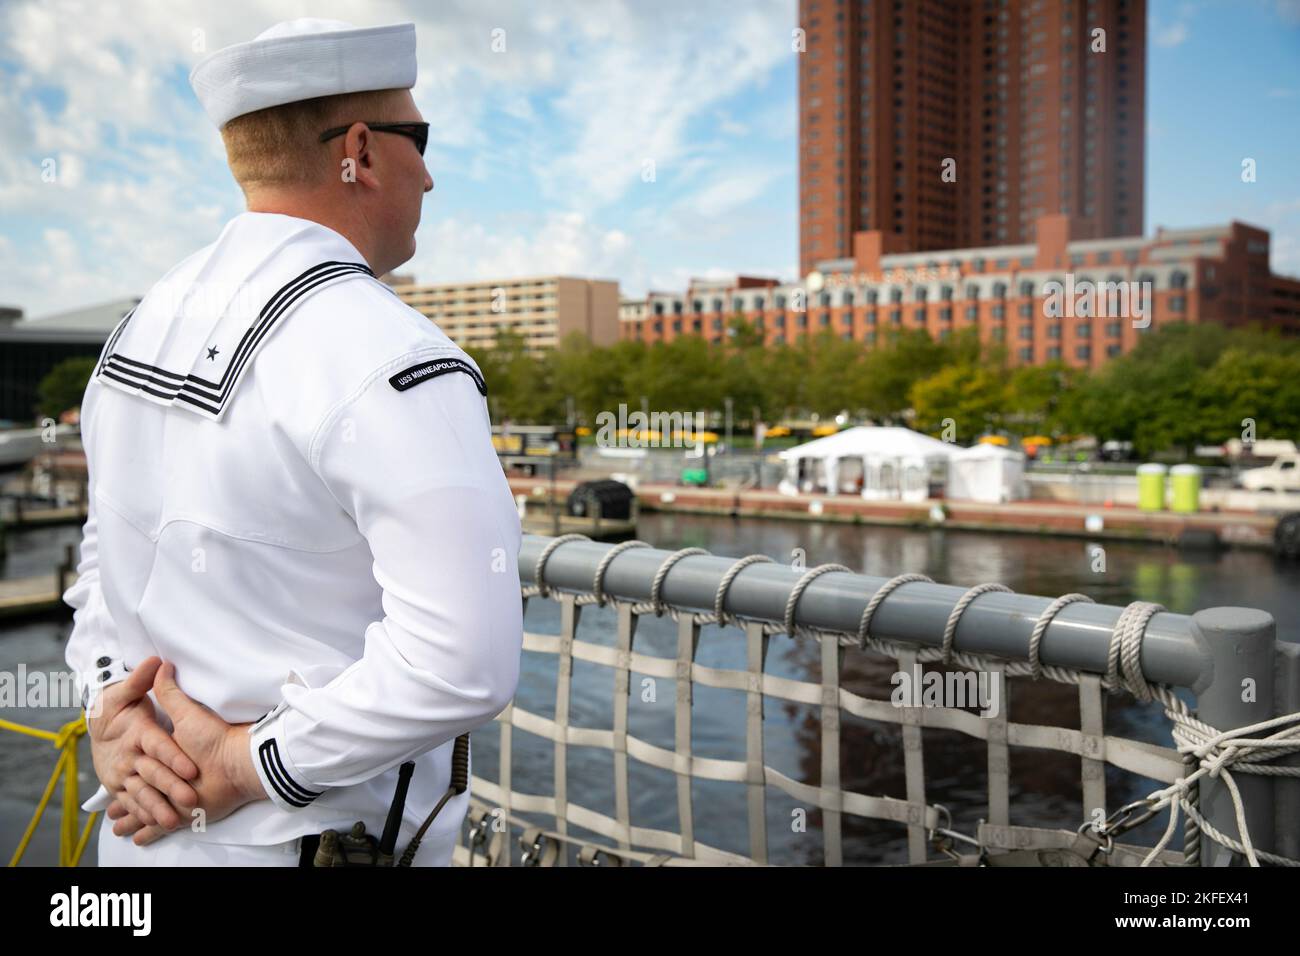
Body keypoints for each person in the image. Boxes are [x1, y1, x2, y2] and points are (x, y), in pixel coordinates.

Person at [63, 18, 523, 866]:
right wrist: (246, 764)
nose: (430, 172)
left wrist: (108, 708)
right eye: (417, 139)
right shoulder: (394, 353)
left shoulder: (135, 332)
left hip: (140, 841)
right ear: (362, 150)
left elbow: (101, 559)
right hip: (310, 847)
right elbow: (464, 661)